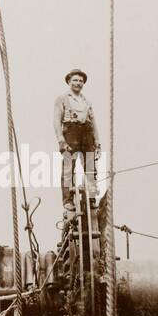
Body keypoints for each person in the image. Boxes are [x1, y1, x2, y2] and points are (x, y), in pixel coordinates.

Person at [54, 69, 101, 214]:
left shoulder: (86, 101)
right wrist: (61, 140)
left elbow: (93, 123)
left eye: (81, 81)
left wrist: (97, 143)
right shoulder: (62, 99)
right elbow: (56, 121)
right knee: (69, 166)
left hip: (86, 133)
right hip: (71, 132)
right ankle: (68, 200)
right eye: (75, 80)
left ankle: (92, 198)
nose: (78, 83)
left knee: (91, 166)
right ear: (69, 82)